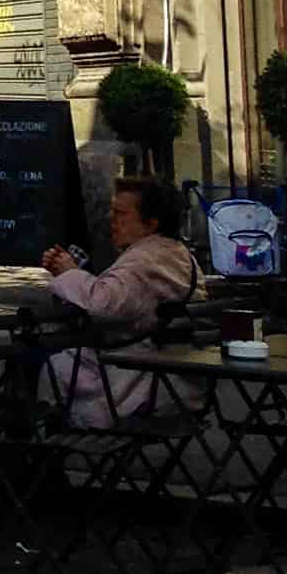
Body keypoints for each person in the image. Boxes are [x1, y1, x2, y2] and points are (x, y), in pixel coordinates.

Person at [41, 175, 203, 427]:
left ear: (151, 223)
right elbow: (125, 300)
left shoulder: (147, 260)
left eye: (120, 214)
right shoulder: (173, 254)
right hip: (174, 381)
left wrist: (70, 272)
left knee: (34, 353)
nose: (111, 220)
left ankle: (32, 447)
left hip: (138, 383)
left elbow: (102, 305)